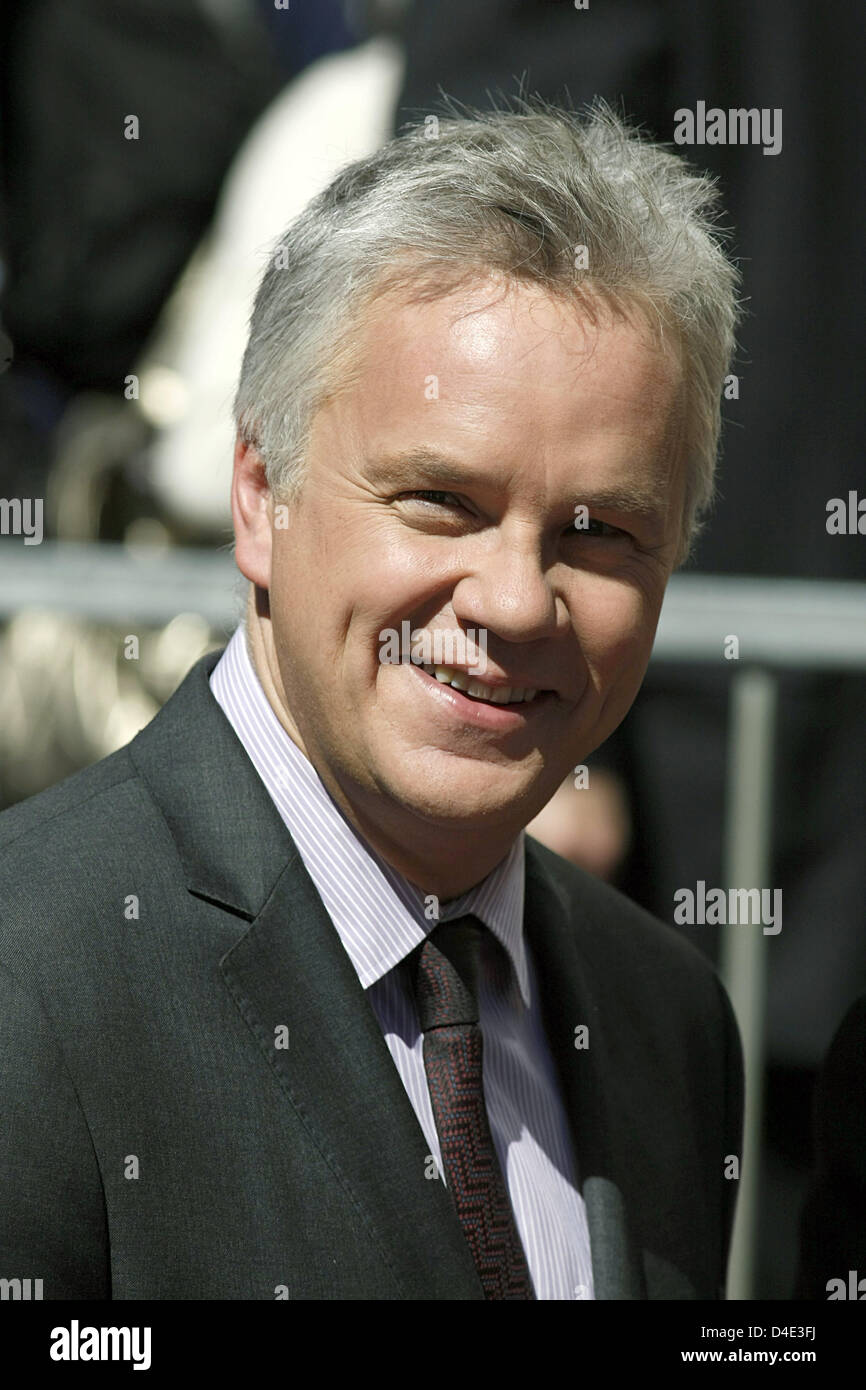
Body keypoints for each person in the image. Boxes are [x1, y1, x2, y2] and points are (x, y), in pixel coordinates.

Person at [0, 100, 743, 1301]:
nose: (514, 599)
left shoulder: (667, 1023)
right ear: (260, 495)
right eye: (440, 502)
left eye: (599, 530)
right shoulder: (30, 975)